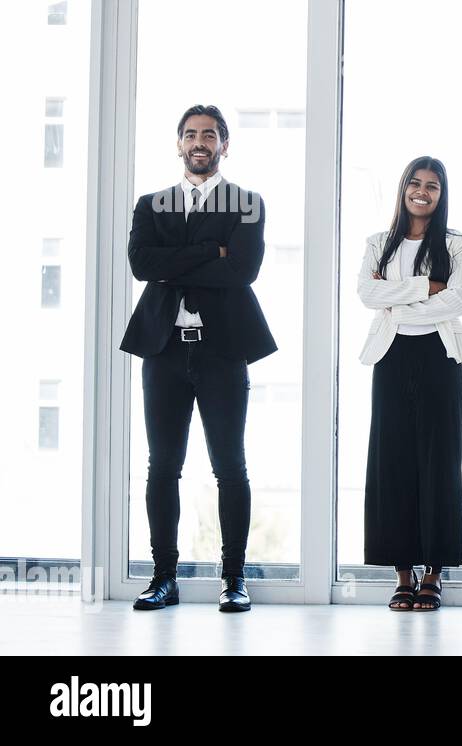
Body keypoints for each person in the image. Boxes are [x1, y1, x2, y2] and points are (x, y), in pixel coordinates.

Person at [122, 104, 275, 612]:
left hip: (222, 351)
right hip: (163, 350)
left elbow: (244, 270)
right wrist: (213, 251)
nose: (199, 142)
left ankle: (233, 578)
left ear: (224, 145)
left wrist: (179, 263)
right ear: (179, 144)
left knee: (230, 467)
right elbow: (142, 264)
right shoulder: (151, 204)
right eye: (190, 134)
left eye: (209, 134)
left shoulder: (247, 203)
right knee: (162, 466)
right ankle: (163, 578)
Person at [357, 156, 462, 611]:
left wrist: (399, 300)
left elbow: (458, 299)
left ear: (442, 194)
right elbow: (367, 294)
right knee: (393, 463)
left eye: (432, 186)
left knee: (439, 462)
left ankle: (434, 573)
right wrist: (426, 288)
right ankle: (402, 572)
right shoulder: (379, 243)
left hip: (439, 358)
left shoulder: (458, 244)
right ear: (403, 187)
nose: (422, 191)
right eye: (415, 183)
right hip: (391, 355)